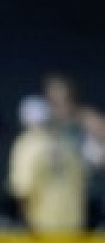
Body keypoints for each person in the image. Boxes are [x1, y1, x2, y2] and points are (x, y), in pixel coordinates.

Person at [7, 95, 85, 234]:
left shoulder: (26, 145)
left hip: (42, 224)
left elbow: (22, 189)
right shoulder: (66, 143)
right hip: (73, 222)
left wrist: (24, 222)